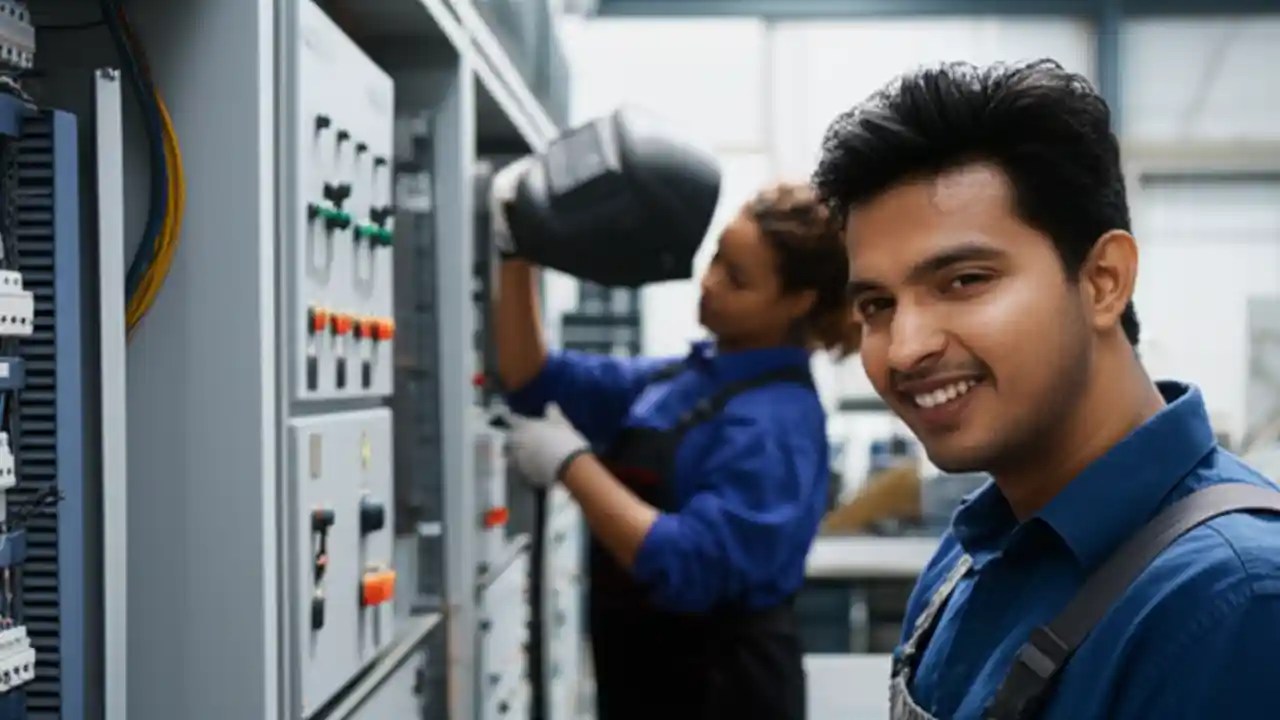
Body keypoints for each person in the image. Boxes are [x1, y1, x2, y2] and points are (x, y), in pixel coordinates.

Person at [812, 58, 1280, 720]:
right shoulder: (967, 556)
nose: (907, 346)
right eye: (877, 305)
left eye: (964, 281)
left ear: (1103, 281)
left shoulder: (1236, 603)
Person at [494, 180, 855, 719]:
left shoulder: (778, 421)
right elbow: (534, 378)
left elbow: (690, 565)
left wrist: (572, 466)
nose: (707, 283)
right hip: (648, 680)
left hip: (723, 693)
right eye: (715, 258)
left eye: (736, 278)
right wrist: (518, 251)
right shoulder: (686, 377)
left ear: (797, 302)